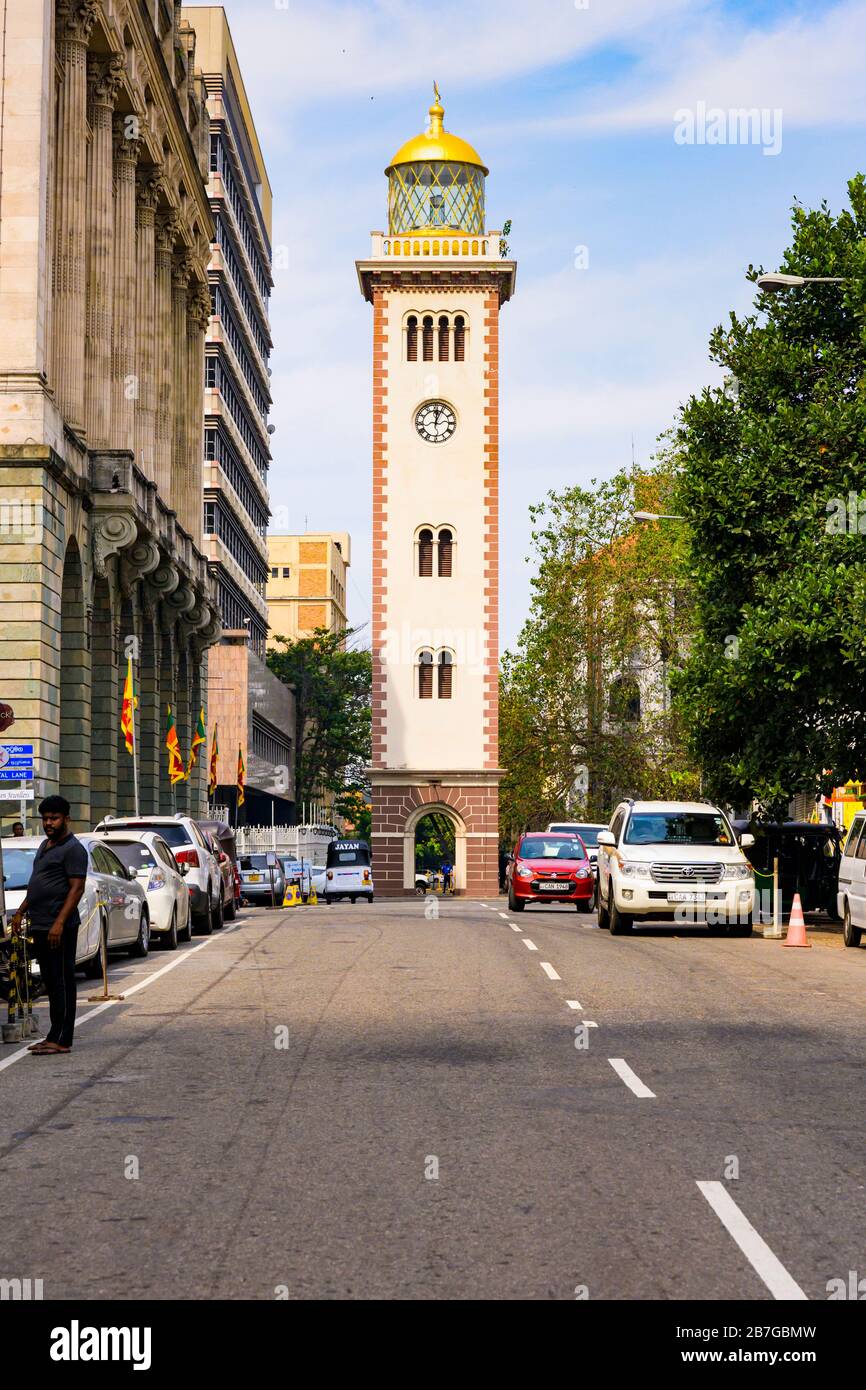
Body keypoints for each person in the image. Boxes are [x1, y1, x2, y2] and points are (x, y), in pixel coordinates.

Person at [9, 795, 87, 1056]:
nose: (48, 823)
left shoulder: (74, 849)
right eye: (45, 819)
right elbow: (37, 884)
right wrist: (20, 912)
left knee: (63, 981)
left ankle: (63, 1039)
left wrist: (59, 923)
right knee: (52, 983)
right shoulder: (45, 846)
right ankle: (53, 1035)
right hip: (41, 925)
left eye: (54, 818)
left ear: (66, 818)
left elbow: (76, 889)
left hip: (59, 927)